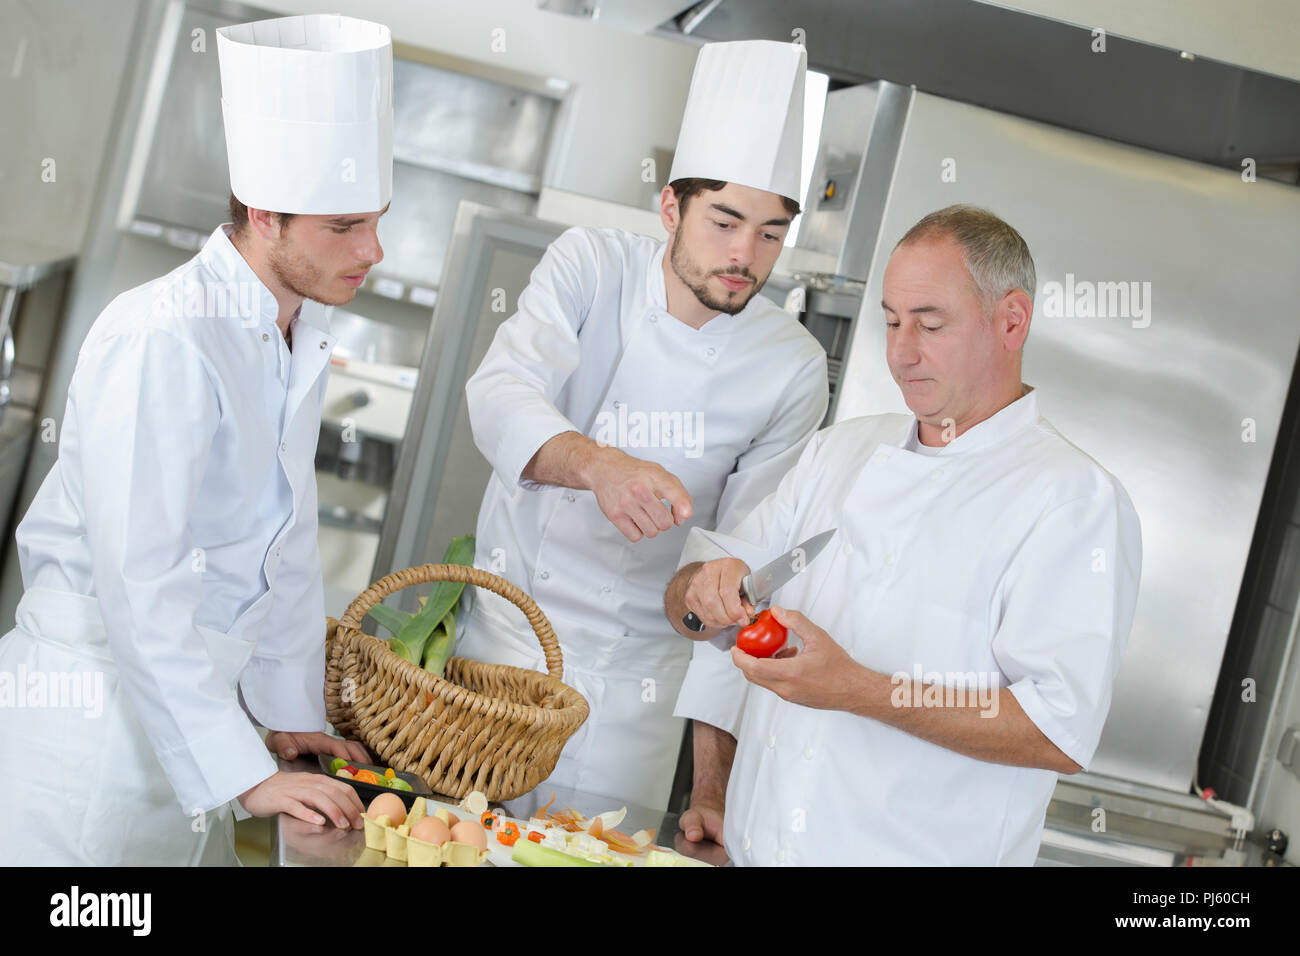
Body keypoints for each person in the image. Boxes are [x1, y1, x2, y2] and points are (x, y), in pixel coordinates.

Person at [0, 13, 394, 865]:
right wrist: (243, 777)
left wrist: (288, 716)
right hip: (91, 736)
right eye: (342, 227)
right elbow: (140, 576)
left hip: (198, 721)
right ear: (264, 214)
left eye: (375, 220)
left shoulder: (297, 331)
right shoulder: (164, 334)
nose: (374, 250)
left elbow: (284, 545)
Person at [665, 204, 1142, 865]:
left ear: (1011, 320)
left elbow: (1056, 731)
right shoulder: (840, 452)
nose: (900, 351)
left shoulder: (1072, 500)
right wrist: (701, 589)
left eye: (930, 323)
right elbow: (694, 608)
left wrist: (859, 689)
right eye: (891, 321)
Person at [457, 40, 829, 810]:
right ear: (671, 208)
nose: (744, 255)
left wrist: (713, 782)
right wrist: (600, 466)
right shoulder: (591, 265)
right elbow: (500, 393)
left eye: (770, 232)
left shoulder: (791, 364)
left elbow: (740, 579)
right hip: (500, 655)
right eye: (725, 221)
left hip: (638, 696)